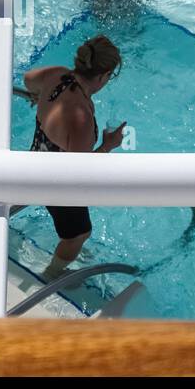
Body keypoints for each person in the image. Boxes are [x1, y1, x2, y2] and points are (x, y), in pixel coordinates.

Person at [23, 35, 127, 278]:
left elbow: (28, 80)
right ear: (104, 76)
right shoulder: (80, 117)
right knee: (79, 235)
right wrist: (108, 145)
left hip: (37, 157)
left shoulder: (57, 75)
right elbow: (81, 171)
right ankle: (51, 275)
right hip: (55, 181)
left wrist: (39, 95)